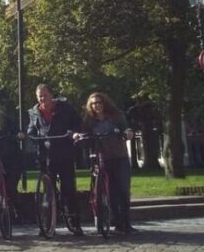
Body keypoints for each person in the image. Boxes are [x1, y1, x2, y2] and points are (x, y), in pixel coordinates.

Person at [73, 92, 137, 233]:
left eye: (99, 102)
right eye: (93, 103)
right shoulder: (89, 120)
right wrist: (78, 136)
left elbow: (126, 128)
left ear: (105, 103)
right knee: (111, 191)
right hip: (102, 158)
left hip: (119, 156)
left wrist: (128, 133)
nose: (97, 105)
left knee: (123, 189)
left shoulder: (116, 116)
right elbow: (82, 134)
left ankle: (126, 222)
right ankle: (117, 222)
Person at [27, 84, 84, 236]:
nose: (42, 98)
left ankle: (74, 222)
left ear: (51, 95)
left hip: (64, 152)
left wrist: (73, 133)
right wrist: (33, 137)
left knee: (68, 189)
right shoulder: (34, 112)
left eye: (45, 95)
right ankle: (47, 224)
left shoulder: (65, 108)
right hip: (46, 155)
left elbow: (77, 122)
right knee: (47, 191)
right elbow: (31, 130)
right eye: (39, 96)